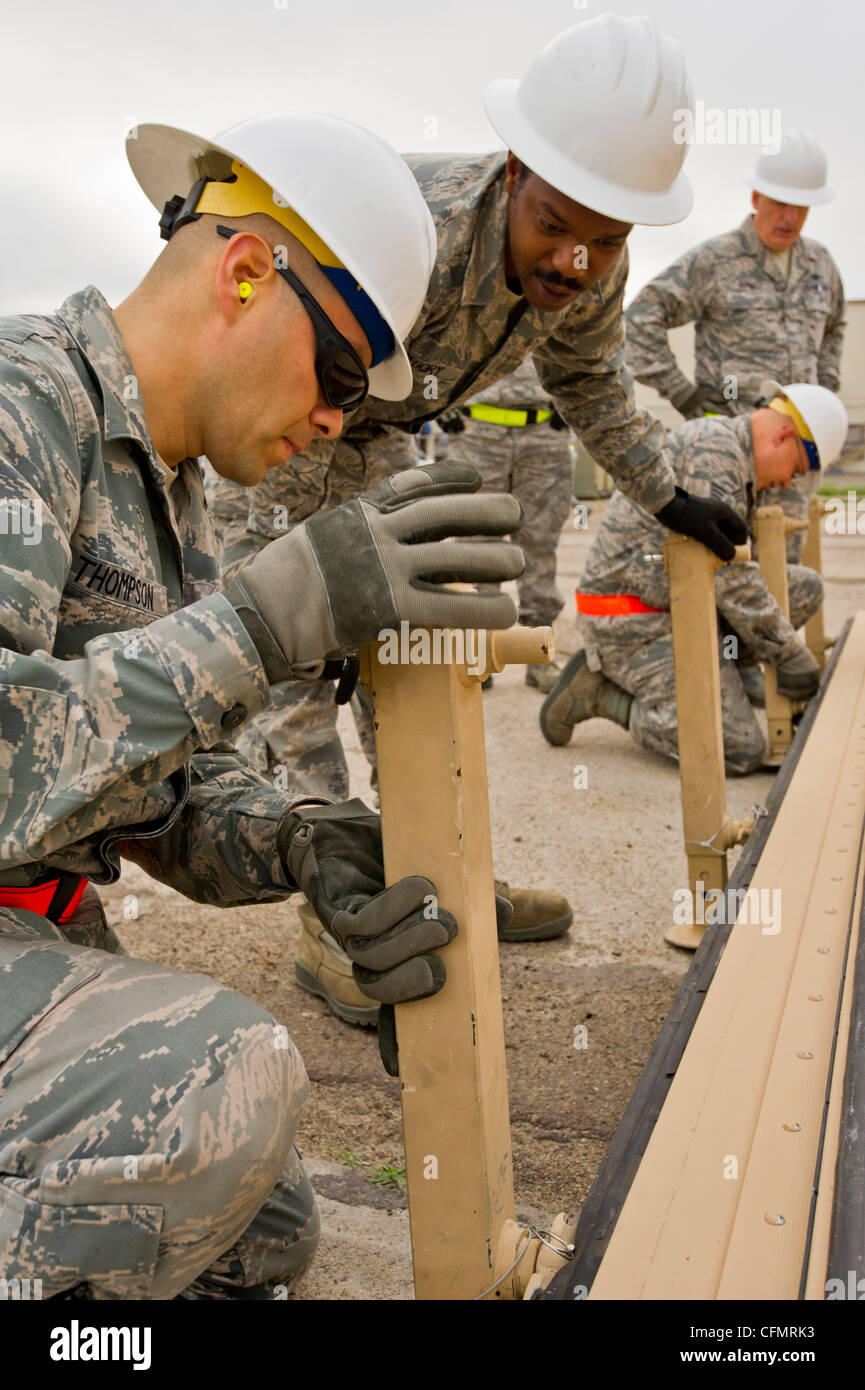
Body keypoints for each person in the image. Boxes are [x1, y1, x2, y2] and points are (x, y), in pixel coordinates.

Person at [0, 111, 526, 1300]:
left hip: (30, 919)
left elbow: (150, 792)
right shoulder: (21, 402)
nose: (342, 421)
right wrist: (253, 626)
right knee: (219, 1080)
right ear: (246, 270)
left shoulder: (174, 495)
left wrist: (301, 841)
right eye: (340, 373)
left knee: (262, 1219)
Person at [207, 14, 747, 1003]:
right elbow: (240, 316)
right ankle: (340, 921)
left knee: (422, 663)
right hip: (283, 440)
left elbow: (590, 386)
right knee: (292, 683)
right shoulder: (405, 219)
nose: (576, 264)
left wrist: (668, 493)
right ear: (512, 171)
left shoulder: (594, 261)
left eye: (606, 240)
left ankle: (440, 875)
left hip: (390, 452)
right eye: (556, 226)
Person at [539, 382, 848, 775]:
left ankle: (724, 677)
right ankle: (601, 694)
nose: (788, 483)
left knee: (803, 588)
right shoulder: (713, 452)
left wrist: (775, 651)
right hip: (633, 621)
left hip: (680, 602)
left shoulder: (735, 454)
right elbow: (732, 578)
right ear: (784, 436)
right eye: (797, 470)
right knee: (736, 749)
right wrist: (787, 655)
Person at [625, 129, 845, 558]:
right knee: (724, 569)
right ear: (756, 198)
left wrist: (826, 391)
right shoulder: (715, 261)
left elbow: (836, 327)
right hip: (727, 453)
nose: (791, 218)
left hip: (794, 457)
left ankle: (771, 631)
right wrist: (684, 394)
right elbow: (640, 319)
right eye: (781, 203)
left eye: (802, 207)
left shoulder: (821, 264)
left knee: (785, 572)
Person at [439, 355, 574, 693]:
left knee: (540, 543)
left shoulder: (563, 302)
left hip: (545, 434)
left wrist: (572, 405)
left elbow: (588, 353)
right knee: (477, 546)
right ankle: (481, 653)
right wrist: (440, 407)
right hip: (477, 433)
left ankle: (539, 653)